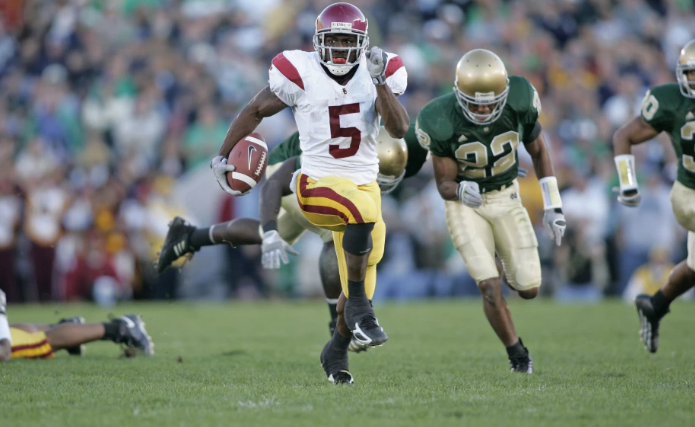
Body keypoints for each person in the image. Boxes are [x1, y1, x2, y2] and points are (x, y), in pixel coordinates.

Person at [204, 3, 409, 385]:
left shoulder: (380, 69)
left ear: (363, 43)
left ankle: (336, 349)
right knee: (362, 217)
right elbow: (255, 110)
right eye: (334, 40)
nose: (341, 49)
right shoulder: (301, 71)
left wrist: (379, 81)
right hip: (315, 185)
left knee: (360, 270)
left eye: (349, 41)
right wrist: (221, 152)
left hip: (363, 184)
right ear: (318, 41)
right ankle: (363, 312)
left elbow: (398, 129)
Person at [157, 125, 427, 351]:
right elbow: (275, 184)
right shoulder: (336, 156)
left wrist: (271, 230)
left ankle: (190, 236)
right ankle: (339, 324)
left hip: (308, 172)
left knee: (269, 234)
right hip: (285, 170)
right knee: (334, 229)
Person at [416, 49, 567, 374]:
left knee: (528, 289)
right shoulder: (440, 118)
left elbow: (540, 151)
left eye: (490, 101)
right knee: (488, 285)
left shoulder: (520, 100)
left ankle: (500, 254)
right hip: (465, 205)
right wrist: (458, 188)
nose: (484, 108)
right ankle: (517, 353)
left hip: (506, 196)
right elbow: (442, 182)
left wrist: (553, 205)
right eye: (475, 102)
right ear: (458, 94)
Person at [612, 39, 695, 353]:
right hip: (689, 193)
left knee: (692, 268)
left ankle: (655, 305)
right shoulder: (669, 101)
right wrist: (628, 182)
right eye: (692, 73)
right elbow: (624, 135)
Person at [0, 252, 153, 363]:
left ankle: (120, 327)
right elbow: (1, 348)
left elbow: (3, 350)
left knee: (35, 340)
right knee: (10, 336)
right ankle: (79, 328)